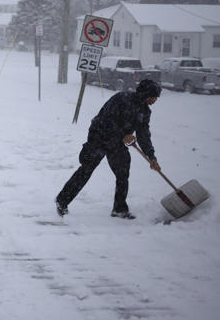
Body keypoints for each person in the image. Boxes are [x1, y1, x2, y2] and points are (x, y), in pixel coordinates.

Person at [55, 78, 162, 219]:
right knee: (86, 170)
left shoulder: (145, 112)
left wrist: (151, 156)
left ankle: (119, 209)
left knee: (123, 173)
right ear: (145, 94)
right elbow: (106, 120)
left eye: (156, 97)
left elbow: (143, 135)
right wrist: (123, 135)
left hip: (117, 143)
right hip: (99, 137)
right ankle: (62, 201)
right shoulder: (121, 99)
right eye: (153, 96)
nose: (155, 100)